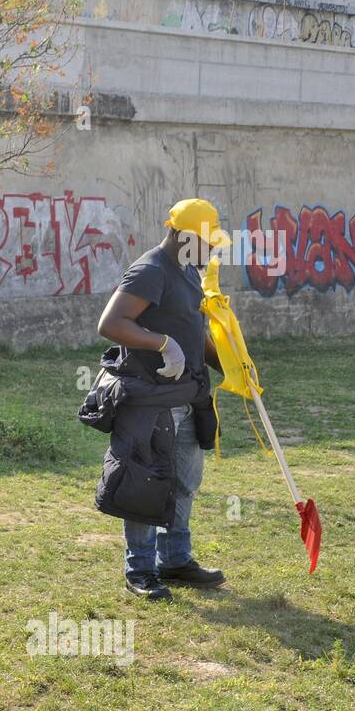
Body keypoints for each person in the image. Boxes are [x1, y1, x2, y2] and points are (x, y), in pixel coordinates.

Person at [96, 198, 228, 601]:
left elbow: (190, 329)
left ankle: (175, 561)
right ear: (181, 235)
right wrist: (161, 343)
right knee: (144, 483)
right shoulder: (151, 270)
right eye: (205, 243)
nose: (210, 251)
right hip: (150, 399)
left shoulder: (188, 271)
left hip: (187, 396)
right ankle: (140, 569)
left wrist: (233, 364)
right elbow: (111, 323)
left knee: (184, 483)